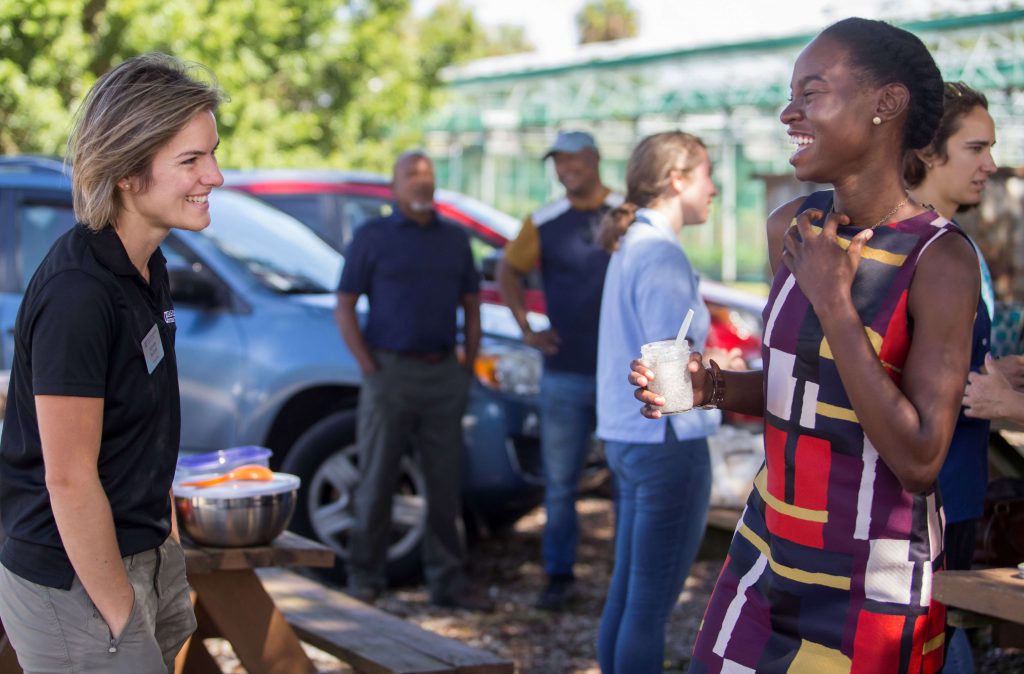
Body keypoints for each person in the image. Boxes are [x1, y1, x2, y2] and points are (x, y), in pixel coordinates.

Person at [632, 18, 978, 672]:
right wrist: (708, 387)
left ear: (886, 103)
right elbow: (806, 388)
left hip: (871, 580)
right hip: (769, 548)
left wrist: (835, 303)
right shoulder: (794, 227)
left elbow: (921, 459)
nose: (789, 113)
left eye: (811, 93)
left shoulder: (940, 260)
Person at [0, 53, 223, 673]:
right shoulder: (78, 292)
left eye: (212, 153)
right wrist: (121, 615)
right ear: (126, 173)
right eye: (192, 160)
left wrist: (164, 551)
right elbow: (67, 479)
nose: (216, 176)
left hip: (141, 553)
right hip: (77, 577)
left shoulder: (147, 267)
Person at [335, 150, 489, 611]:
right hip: (390, 371)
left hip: (443, 372)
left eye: (427, 175)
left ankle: (446, 582)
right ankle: (364, 576)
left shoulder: (455, 239)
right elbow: (344, 306)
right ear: (394, 185)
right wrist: (369, 368)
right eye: (411, 175)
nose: (421, 183)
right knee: (378, 477)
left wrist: (467, 367)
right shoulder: (372, 237)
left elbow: (473, 307)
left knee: (444, 483)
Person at [594, 131, 721, 674]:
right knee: (648, 607)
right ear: (677, 180)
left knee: (628, 595)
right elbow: (672, 374)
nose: (714, 189)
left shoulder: (632, 245)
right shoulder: (660, 253)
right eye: (707, 174)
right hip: (665, 441)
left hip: (629, 437)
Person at [497, 130, 623, 610]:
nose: (566, 168)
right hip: (564, 373)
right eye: (559, 162)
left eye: (574, 160)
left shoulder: (627, 213)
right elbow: (507, 270)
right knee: (560, 483)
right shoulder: (544, 221)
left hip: (623, 375)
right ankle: (558, 577)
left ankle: (624, 578)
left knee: (627, 481)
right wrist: (526, 328)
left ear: (594, 159)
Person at [904, 80, 998, 674]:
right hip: (924, 498)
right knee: (931, 639)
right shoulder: (918, 249)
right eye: (976, 148)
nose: (992, 164)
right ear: (930, 153)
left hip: (954, 491)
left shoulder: (956, 244)